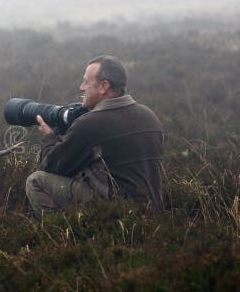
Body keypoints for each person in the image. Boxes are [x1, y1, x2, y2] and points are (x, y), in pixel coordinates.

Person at [25, 55, 163, 216]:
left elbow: (53, 166)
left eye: (86, 82)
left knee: (36, 181)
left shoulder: (91, 123)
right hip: (152, 211)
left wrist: (49, 137)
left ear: (104, 86)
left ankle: (61, 232)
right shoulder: (150, 116)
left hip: (116, 212)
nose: (81, 87)